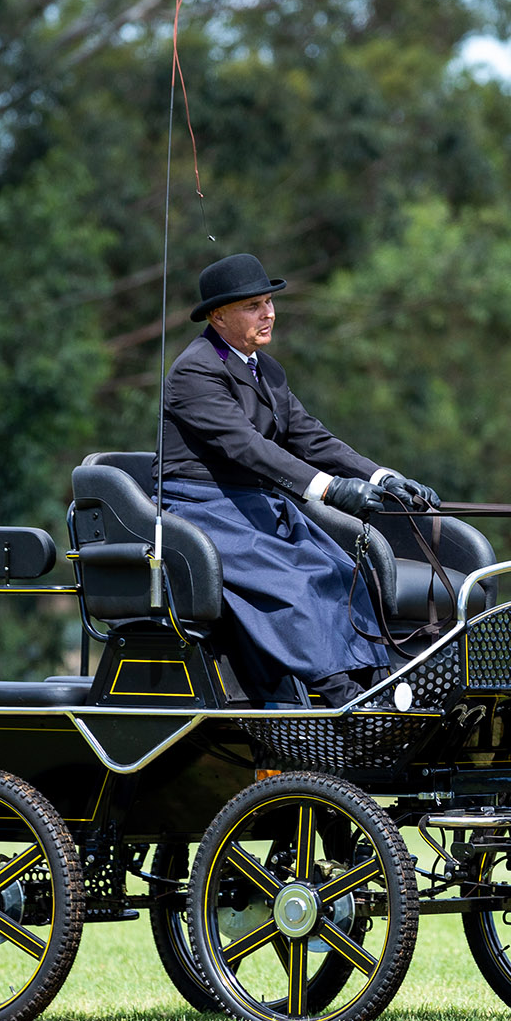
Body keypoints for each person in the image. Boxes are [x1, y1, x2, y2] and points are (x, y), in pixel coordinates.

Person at [157, 252, 439, 706]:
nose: (268, 314)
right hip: (201, 508)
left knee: (341, 571)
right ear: (218, 316)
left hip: (254, 505)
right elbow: (248, 446)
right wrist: (330, 488)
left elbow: (309, 436)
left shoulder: (266, 369)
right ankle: (341, 696)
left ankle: (379, 683)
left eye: (269, 302)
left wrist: (382, 476)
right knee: (294, 584)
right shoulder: (195, 370)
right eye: (253, 306)